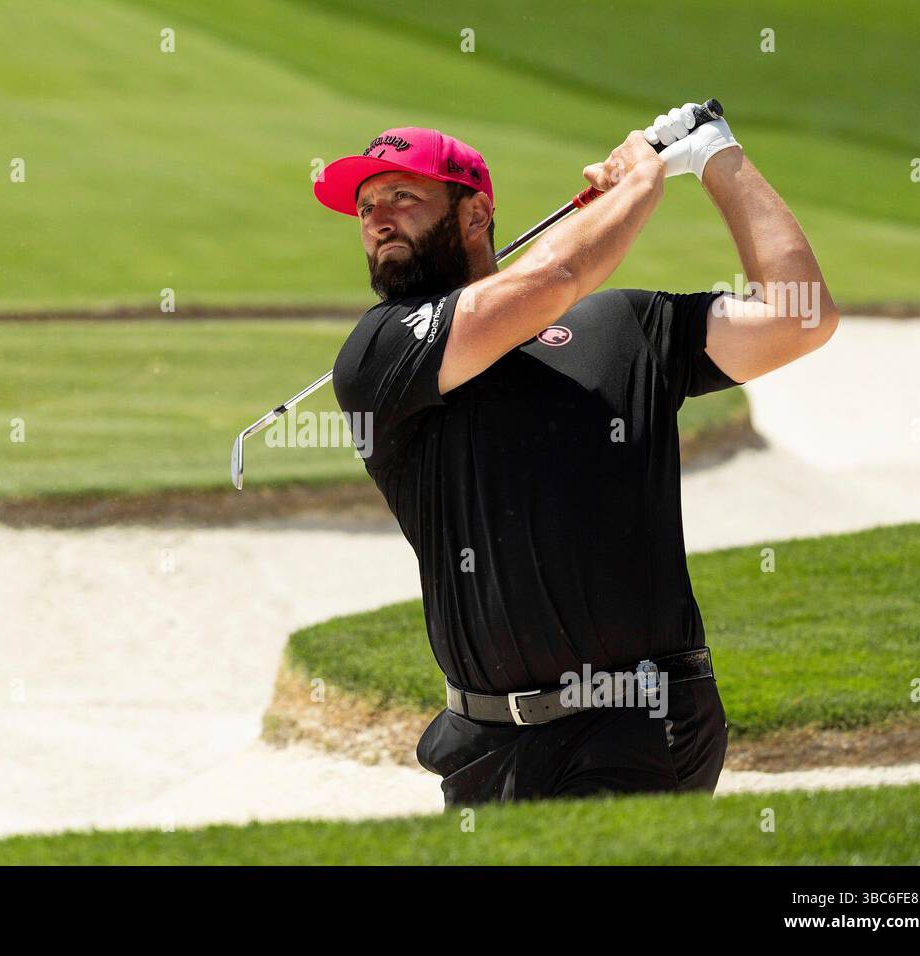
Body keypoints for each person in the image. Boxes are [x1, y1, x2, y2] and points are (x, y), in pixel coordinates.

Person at [314, 103, 839, 806]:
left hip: (639, 731)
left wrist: (717, 157)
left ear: (474, 216)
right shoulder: (378, 355)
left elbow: (801, 317)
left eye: (403, 197)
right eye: (366, 206)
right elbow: (553, 279)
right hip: (482, 748)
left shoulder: (624, 326)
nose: (378, 218)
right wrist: (639, 185)